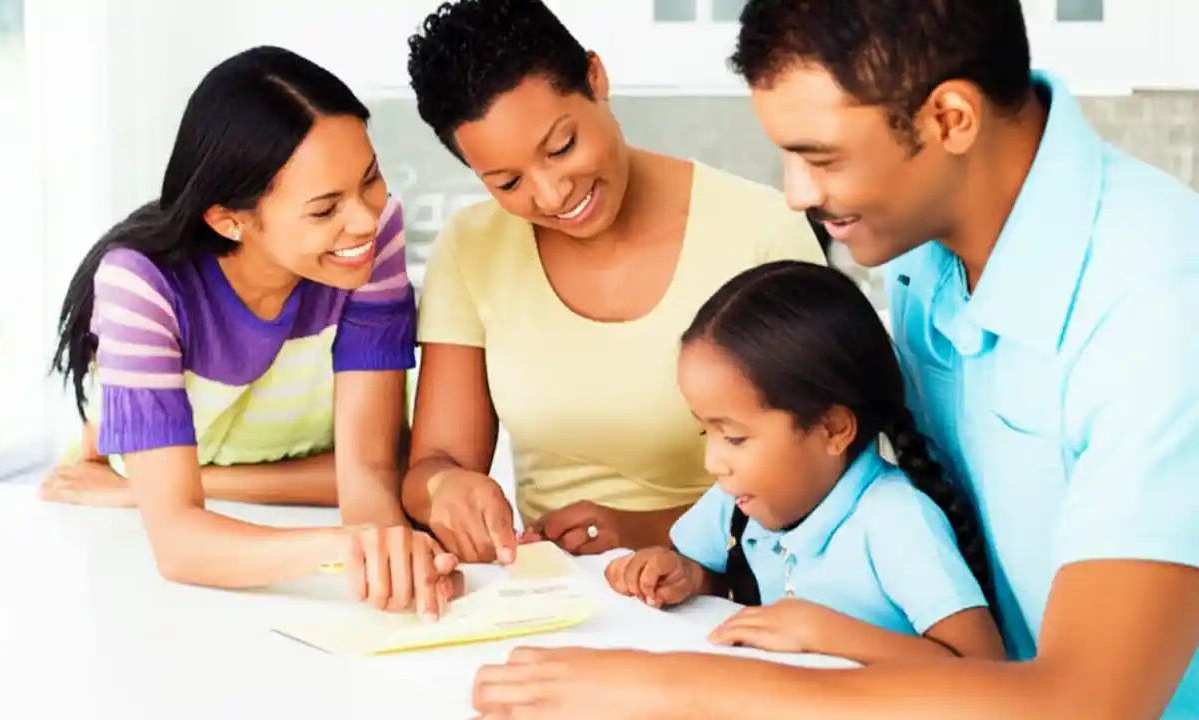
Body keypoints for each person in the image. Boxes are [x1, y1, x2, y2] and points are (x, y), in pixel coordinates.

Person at [472, 0, 1199, 717]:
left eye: (820, 157)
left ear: (950, 119)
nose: (797, 193)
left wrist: (673, 685)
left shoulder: (1161, 300)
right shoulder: (925, 238)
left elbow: (1093, 701)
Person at [400, 0, 823, 565]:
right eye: (507, 181)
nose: (551, 196)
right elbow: (436, 461)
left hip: (733, 585)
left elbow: (822, 470)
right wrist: (444, 489)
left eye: (561, 147)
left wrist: (647, 532)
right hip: (558, 597)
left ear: (595, 78)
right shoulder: (472, 246)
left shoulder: (762, 230)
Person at [47, 46, 458, 618]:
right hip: (130, 541)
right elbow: (179, 546)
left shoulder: (371, 237)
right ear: (228, 219)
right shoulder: (140, 285)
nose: (366, 218)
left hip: (213, 509)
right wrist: (342, 546)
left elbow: (368, 471)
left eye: (370, 179)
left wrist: (397, 559)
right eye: (324, 209)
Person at [606, 261, 1004, 665]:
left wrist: (822, 633)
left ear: (832, 429)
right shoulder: (740, 502)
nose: (714, 462)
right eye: (705, 432)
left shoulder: (896, 522)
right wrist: (683, 574)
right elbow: (702, 565)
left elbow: (984, 670)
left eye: (735, 437)